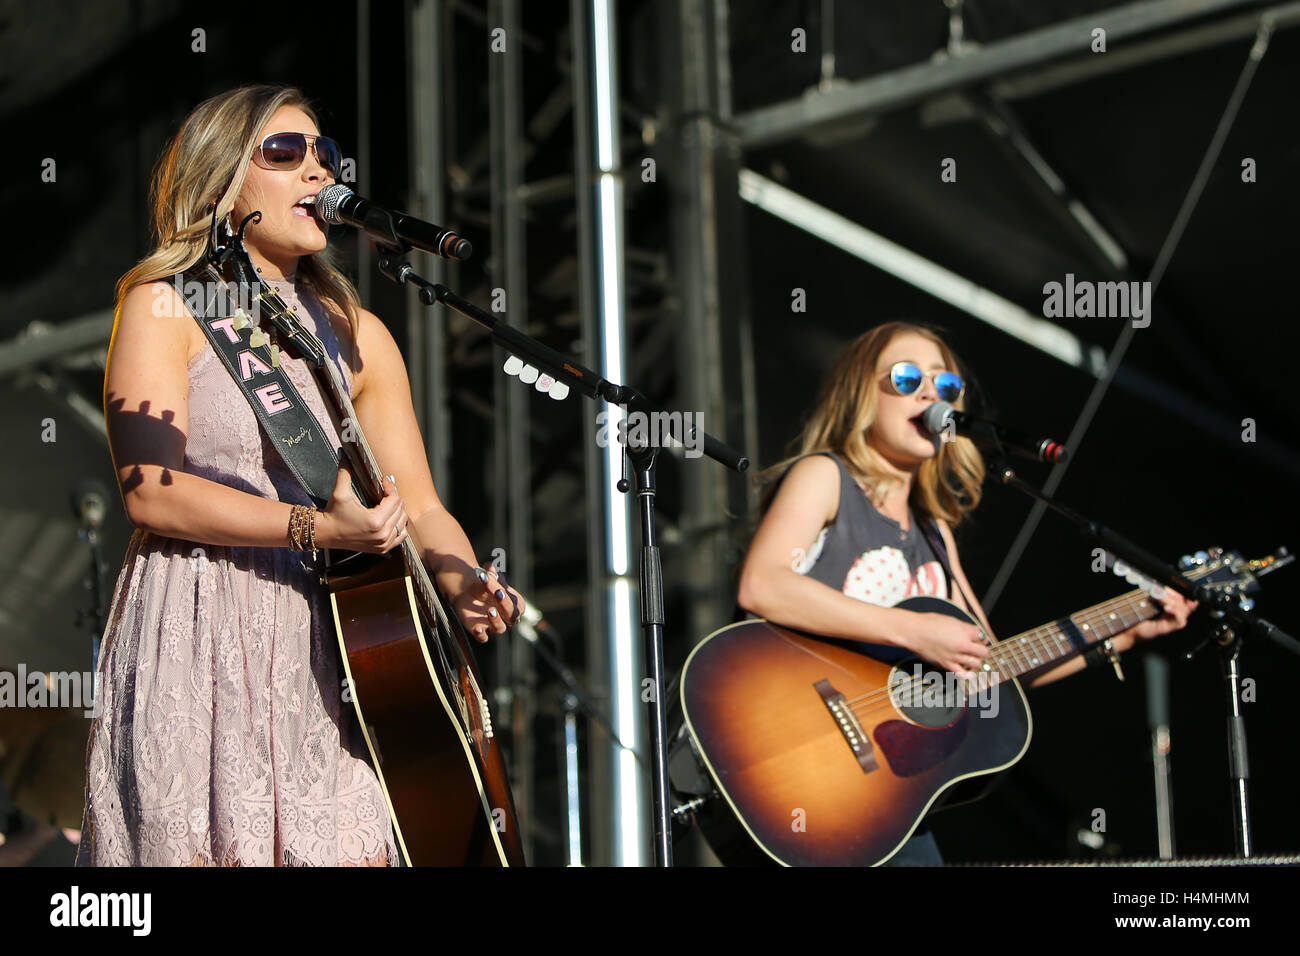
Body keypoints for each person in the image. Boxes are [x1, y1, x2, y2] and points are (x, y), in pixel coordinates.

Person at [77, 85, 521, 866]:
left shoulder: (360, 334)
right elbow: (151, 487)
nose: (317, 171)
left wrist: (461, 582)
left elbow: (417, 503)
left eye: (326, 155)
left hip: (337, 647)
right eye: (285, 153)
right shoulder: (165, 305)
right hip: (205, 619)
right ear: (220, 187)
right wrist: (313, 527)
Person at [735, 321, 1196, 865]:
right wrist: (913, 631)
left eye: (947, 386)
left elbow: (994, 667)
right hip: (802, 755)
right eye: (907, 378)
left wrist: (1129, 630)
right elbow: (762, 585)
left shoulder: (936, 532)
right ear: (860, 392)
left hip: (887, 801)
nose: (932, 394)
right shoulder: (825, 477)